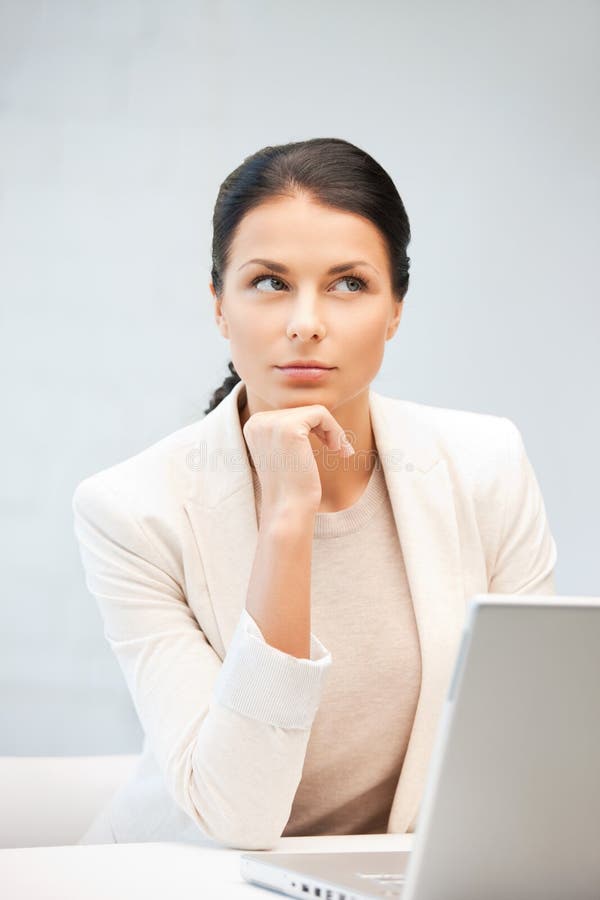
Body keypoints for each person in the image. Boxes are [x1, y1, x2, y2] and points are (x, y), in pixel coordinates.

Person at [72, 137, 557, 850]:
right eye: (270, 282)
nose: (305, 321)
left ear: (396, 310)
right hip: (187, 874)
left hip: (393, 878)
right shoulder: (131, 511)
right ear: (219, 306)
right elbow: (239, 815)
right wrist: (287, 519)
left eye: (348, 284)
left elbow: (529, 740)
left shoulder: (486, 465)